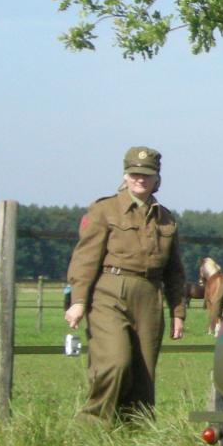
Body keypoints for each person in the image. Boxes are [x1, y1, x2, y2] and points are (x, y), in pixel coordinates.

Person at [64, 146, 188, 422]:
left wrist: (177, 311)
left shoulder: (166, 219)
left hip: (150, 295)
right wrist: (78, 302)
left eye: (146, 175)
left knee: (144, 374)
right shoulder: (104, 209)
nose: (139, 180)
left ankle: (134, 434)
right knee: (115, 363)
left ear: (157, 179)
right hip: (110, 291)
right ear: (125, 175)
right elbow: (85, 259)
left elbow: (175, 271)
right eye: (134, 174)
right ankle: (91, 426)